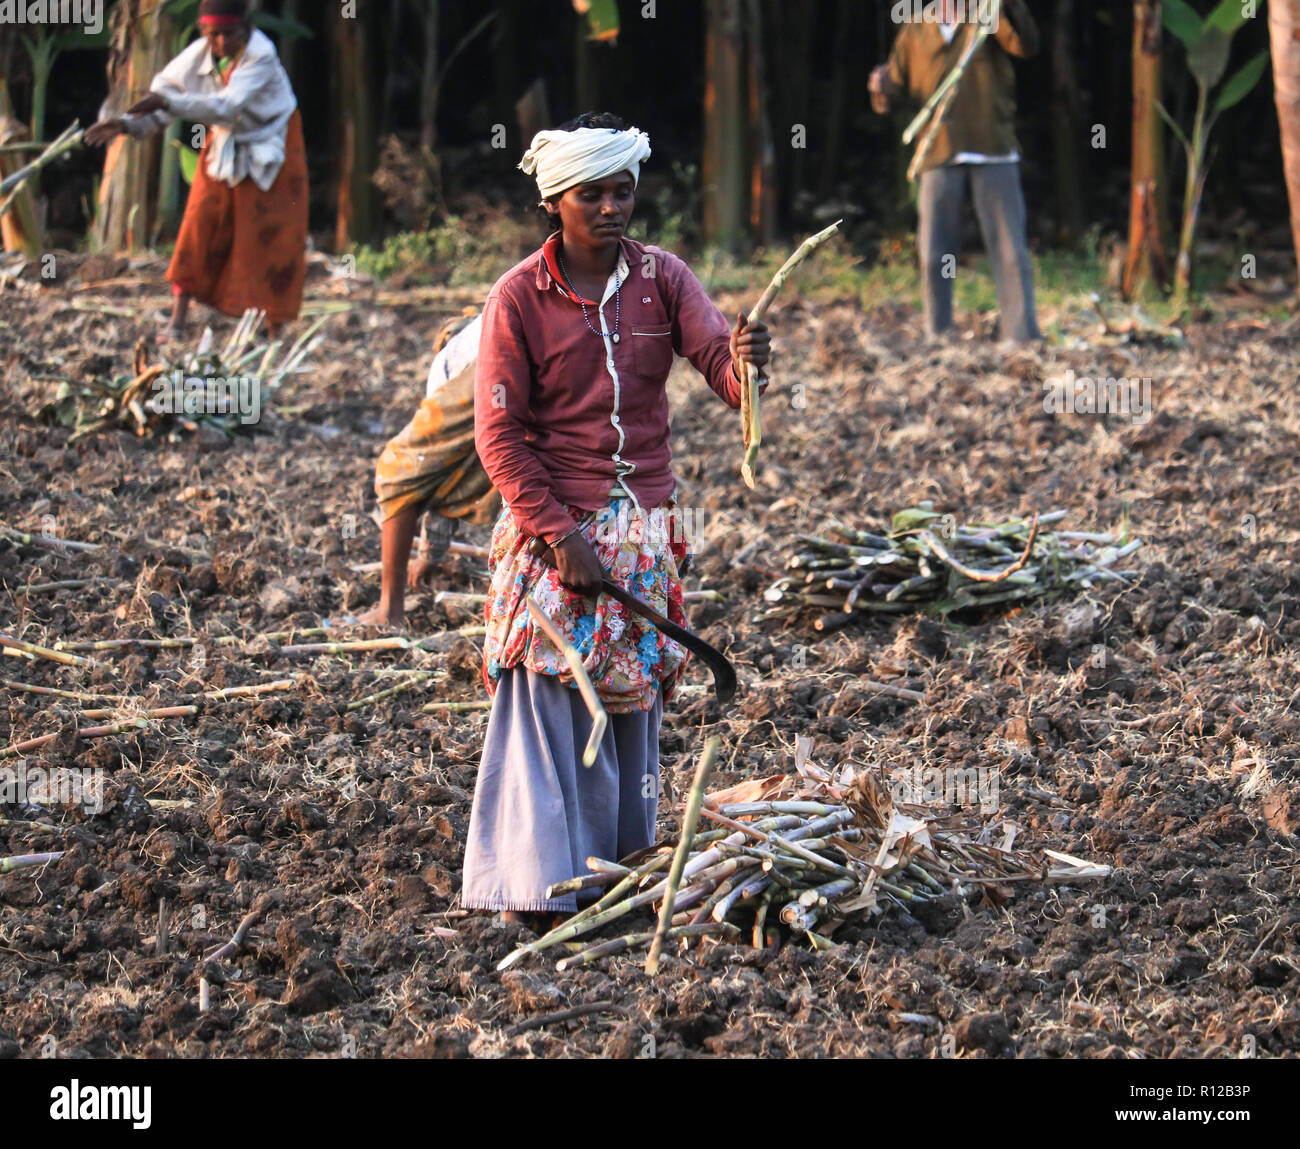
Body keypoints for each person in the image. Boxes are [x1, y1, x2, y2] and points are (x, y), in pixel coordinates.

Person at [461, 113, 770, 928]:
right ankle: (531, 886)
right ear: (556, 202)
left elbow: (719, 368)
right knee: (543, 693)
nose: (610, 208)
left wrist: (747, 366)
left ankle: (611, 877)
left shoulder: (664, 279)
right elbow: (498, 433)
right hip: (550, 525)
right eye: (591, 194)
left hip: (644, 534)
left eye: (622, 192)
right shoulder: (518, 298)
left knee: (627, 705)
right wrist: (560, 536)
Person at [84, 0, 307, 341]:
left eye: (228, 33)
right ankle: (177, 321)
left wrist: (167, 103)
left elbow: (228, 106)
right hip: (223, 144)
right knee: (198, 224)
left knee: (269, 236)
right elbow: (165, 97)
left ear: (246, 26)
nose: (220, 43)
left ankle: (274, 329)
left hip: (273, 145)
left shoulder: (263, 54)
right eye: (211, 34)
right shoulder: (199, 53)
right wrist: (127, 125)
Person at [870, 0, 1042, 345]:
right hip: (937, 148)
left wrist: (1012, 7)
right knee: (935, 250)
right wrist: (880, 87)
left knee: (1010, 249)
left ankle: (1022, 336)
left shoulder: (988, 14)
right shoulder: (916, 28)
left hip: (992, 145)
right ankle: (939, 333)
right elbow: (894, 90)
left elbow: (1025, 45)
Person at [358, 310, 496, 628]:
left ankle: (389, 611)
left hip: (495, 365)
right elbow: (453, 471)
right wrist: (430, 555)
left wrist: (428, 556)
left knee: (396, 472)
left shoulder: (449, 362)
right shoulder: (483, 328)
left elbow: (434, 471)